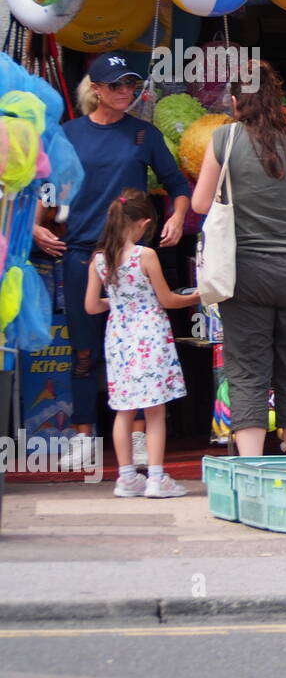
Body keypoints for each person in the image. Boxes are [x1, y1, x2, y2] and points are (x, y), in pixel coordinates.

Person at [33, 53, 192, 472]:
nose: (125, 92)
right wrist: (35, 227)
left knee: (139, 349)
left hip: (131, 258)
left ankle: (140, 439)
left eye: (131, 85)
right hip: (82, 251)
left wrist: (176, 215)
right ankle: (84, 437)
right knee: (84, 351)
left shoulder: (144, 134)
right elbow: (44, 184)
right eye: (116, 85)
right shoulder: (68, 134)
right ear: (96, 89)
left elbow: (177, 184)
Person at [191, 61, 286, 456]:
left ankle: (253, 471)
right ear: (277, 99)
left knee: (248, 370)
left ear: (235, 101)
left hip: (245, 271)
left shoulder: (225, 139)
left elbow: (201, 202)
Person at [85, 190, 199, 497]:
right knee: (155, 411)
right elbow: (168, 299)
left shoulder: (98, 259)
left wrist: (118, 302)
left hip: (118, 338)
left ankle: (126, 478)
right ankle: (156, 478)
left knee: (123, 409)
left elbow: (91, 306)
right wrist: (199, 295)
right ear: (142, 224)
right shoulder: (144, 256)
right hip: (150, 335)